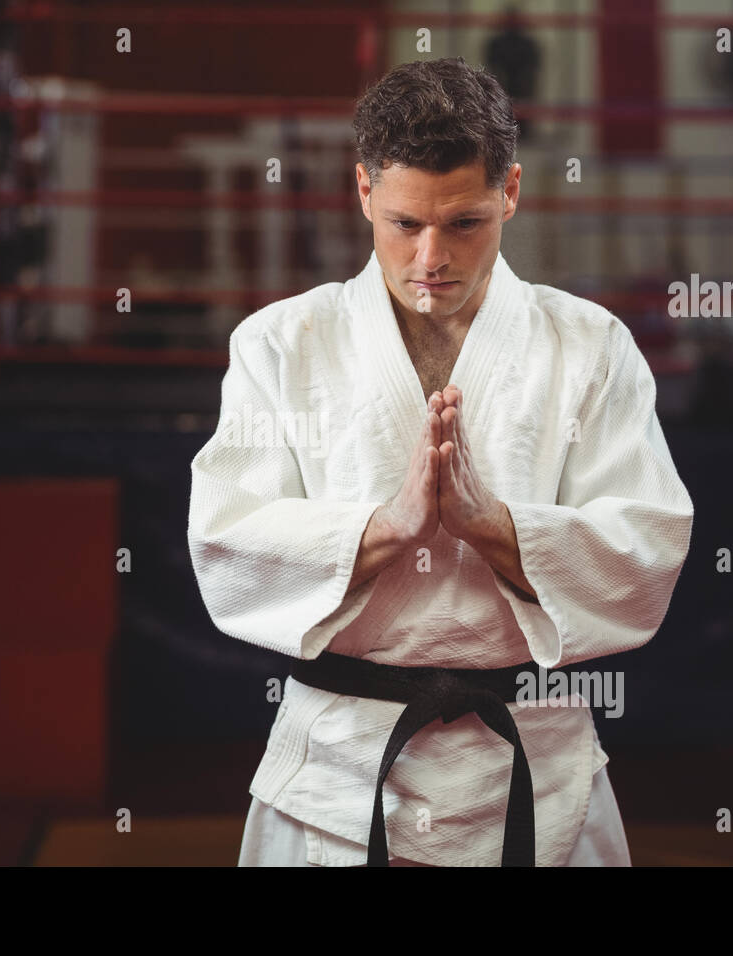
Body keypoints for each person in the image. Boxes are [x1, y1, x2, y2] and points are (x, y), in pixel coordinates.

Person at [187, 57, 693, 867]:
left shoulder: (591, 348)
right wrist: (384, 530)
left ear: (512, 193)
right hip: (337, 781)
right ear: (362, 193)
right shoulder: (280, 344)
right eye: (403, 224)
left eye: (464, 223)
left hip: (537, 766)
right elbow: (225, 543)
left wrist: (494, 527)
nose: (432, 257)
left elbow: (647, 549)